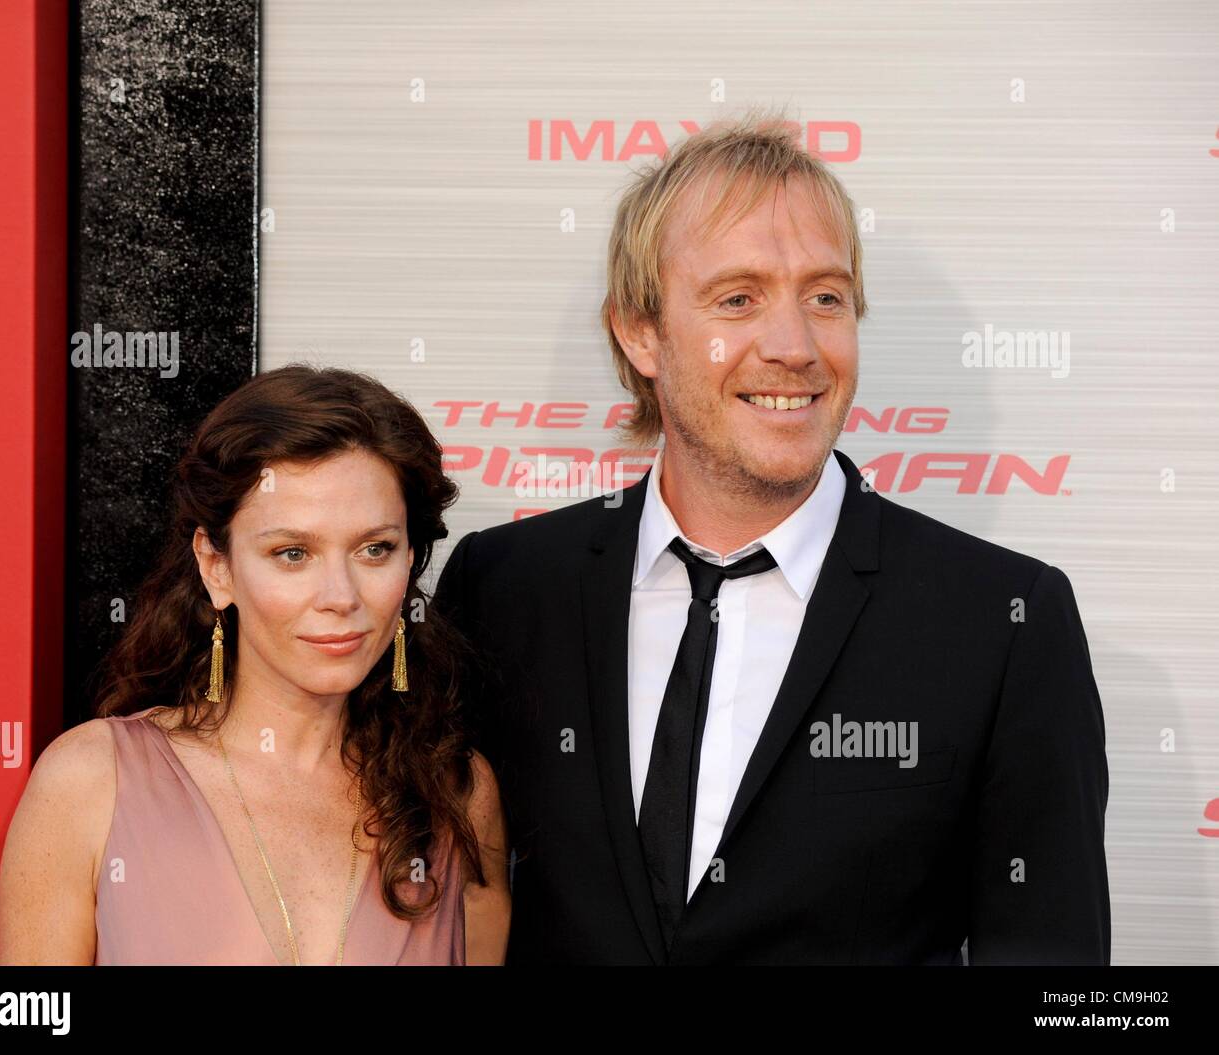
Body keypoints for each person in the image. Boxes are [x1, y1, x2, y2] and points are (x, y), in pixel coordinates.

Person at [431, 107, 1110, 965]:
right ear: (639, 331)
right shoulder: (503, 588)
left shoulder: (1004, 619)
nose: (794, 346)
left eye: (825, 297)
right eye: (738, 298)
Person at [0, 365, 510, 965]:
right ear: (216, 567)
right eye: (292, 553)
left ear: (412, 560)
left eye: (375, 549)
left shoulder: (457, 794)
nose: (341, 596)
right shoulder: (90, 782)